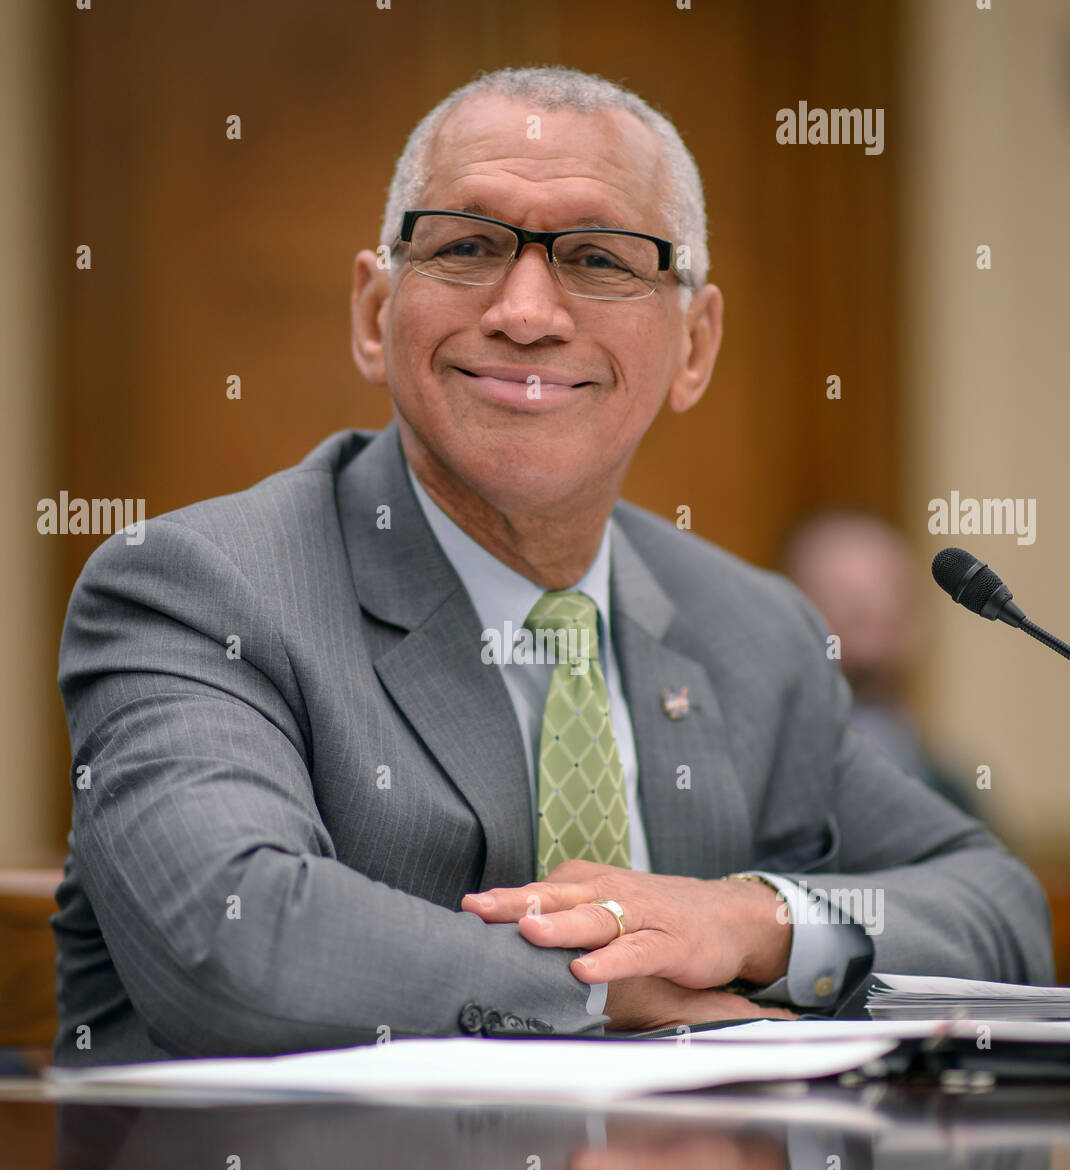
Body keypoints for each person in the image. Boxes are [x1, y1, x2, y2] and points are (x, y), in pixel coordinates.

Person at [52, 66, 1052, 1066]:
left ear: (693, 345)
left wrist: (750, 920)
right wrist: (615, 994)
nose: (526, 312)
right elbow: (239, 936)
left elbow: (993, 906)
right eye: (469, 245)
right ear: (373, 312)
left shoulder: (752, 631)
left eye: (597, 258)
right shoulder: (196, 590)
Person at [780, 511, 981, 817]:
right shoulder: (749, 791)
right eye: (851, 615)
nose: (869, 650)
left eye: (892, 616)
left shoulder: (951, 791)